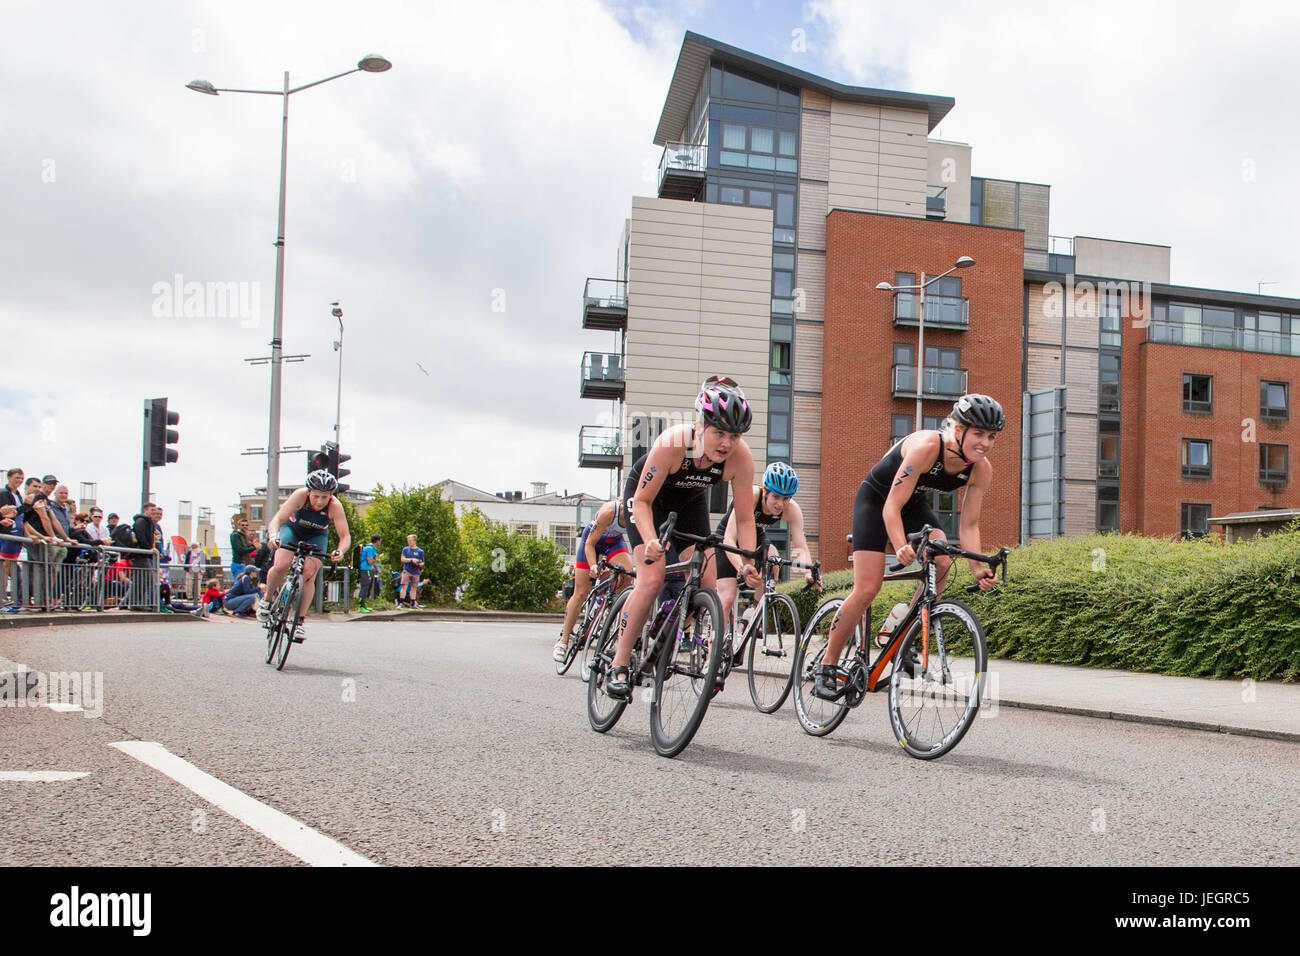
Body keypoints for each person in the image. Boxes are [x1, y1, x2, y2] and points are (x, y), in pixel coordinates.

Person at [814, 394, 1005, 699]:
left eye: (992, 437)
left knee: (942, 558)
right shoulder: (929, 447)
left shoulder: (981, 469)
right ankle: (827, 665)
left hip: (912, 504)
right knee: (867, 588)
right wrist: (901, 545)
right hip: (877, 501)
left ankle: (905, 637)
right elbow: (891, 505)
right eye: (979, 433)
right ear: (958, 430)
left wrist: (978, 569)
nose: (985, 443)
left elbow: (968, 525)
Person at [605, 376, 763, 700]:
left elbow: (745, 518)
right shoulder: (673, 443)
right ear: (700, 424)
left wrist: (746, 560)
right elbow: (642, 502)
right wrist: (650, 540)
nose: (726, 443)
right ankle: (619, 665)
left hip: (690, 502)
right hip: (649, 501)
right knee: (651, 579)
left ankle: (675, 631)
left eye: (734, 436)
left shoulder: (740, 458)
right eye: (719, 432)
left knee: (708, 579)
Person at [714, 462, 817, 662]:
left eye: (786, 498)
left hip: (755, 537)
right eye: (776, 497)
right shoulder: (750, 496)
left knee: (774, 558)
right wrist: (742, 567)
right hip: (729, 537)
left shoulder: (791, 509)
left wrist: (808, 573)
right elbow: (728, 538)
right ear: (765, 491)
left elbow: (800, 546)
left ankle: (754, 609)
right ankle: (712, 657)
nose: (780, 504)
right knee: (726, 598)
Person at [257, 470, 350, 642]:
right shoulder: (299, 496)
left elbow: (345, 536)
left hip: (317, 536)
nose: (319, 501)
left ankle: (299, 621)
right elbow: (277, 520)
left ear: (330, 495)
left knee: (309, 573)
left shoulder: (335, 506)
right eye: (315, 496)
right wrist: (273, 536)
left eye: (324, 497)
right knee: (281, 564)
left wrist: (340, 551)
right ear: (308, 492)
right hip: (291, 530)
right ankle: (267, 600)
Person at [553, 498, 633, 662]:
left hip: (614, 543)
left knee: (628, 575)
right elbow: (590, 543)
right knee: (581, 592)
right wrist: (593, 566)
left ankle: (609, 604)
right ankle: (564, 640)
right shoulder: (609, 512)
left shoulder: (638, 516)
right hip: (591, 543)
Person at [398, 534, 425, 608]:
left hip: (416, 571)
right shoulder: (405, 549)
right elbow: (402, 559)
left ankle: (413, 603)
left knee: (414, 588)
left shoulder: (420, 551)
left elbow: (422, 562)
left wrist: (419, 564)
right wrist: (411, 560)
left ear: (414, 541)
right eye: (408, 541)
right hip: (407, 570)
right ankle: (401, 602)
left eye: (410, 540)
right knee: (404, 586)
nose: (409, 542)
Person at [358, 534, 381, 611]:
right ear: (377, 540)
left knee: (367, 586)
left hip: (367, 569)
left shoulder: (371, 548)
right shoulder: (370, 549)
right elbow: (369, 560)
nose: (380, 542)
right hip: (365, 569)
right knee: (365, 586)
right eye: (380, 541)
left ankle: (363, 605)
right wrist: (376, 560)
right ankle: (361, 606)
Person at [230, 517, 254, 581]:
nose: (245, 526)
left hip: (244, 564)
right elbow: (240, 550)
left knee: (243, 584)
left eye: (246, 525)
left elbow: (245, 548)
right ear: (238, 526)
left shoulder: (244, 535)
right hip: (239, 564)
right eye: (242, 525)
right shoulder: (235, 535)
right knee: (239, 584)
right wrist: (254, 547)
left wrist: (252, 545)